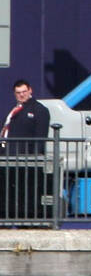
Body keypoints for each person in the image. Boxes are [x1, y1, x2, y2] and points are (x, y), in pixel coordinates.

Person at [1, 79, 51, 221]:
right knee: (7, 190)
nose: (21, 95)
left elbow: (40, 136)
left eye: (24, 92)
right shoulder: (13, 111)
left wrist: (33, 157)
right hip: (7, 157)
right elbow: (5, 134)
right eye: (18, 93)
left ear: (30, 91)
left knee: (25, 191)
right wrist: (2, 150)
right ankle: (7, 217)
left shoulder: (39, 110)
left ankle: (28, 218)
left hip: (25, 159)